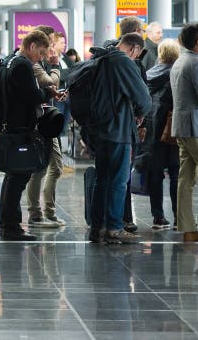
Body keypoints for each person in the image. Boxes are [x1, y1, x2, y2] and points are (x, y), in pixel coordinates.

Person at [0, 30, 63, 241]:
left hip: (13, 126)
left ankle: (9, 224)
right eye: (41, 52)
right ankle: (11, 226)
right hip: (20, 127)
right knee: (18, 178)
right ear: (32, 46)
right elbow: (32, 95)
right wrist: (47, 93)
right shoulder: (22, 66)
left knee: (13, 178)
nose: (42, 58)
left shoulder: (12, 63)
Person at [88, 33, 151, 245]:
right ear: (134, 49)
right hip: (119, 129)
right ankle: (114, 227)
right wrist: (141, 114)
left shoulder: (100, 58)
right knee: (118, 180)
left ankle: (97, 227)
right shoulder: (123, 61)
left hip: (100, 130)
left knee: (102, 178)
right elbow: (143, 98)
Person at [25, 26, 66, 229]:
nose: (50, 49)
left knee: (55, 167)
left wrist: (53, 92)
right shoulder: (34, 64)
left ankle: (47, 212)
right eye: (47, 45)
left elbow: (49, 88)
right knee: (39, 169)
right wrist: (56, 67)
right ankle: (37, 214)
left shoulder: (38, 62)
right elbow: (49, 82)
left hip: (46, 119)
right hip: (38, 123)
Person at [170, 23, 198, 243]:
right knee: (185, 178)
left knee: (186, 178)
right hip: (196, 128)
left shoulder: (180, 61)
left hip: (182, 127)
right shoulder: (196, 63)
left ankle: (188, 229)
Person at [144, 39, 181, 230]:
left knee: (155, 174)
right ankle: (178, 217)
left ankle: (158, 217)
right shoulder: (176, 73)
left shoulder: (149, 74)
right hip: (172, 128)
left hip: (153, 130)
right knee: (176, 174)